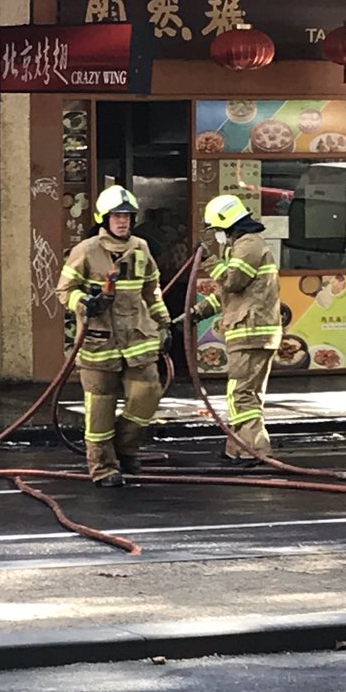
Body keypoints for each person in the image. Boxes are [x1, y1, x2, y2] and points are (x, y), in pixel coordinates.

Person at [57, 185, 172, 487]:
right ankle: (103, 467)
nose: (123, 221)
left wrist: (164, 322)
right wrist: (84, 301)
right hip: (99, 343)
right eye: (116, 216)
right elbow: (63, 292)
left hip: (137, 339)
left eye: (127, 216)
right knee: (99, 412)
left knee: (147, 396)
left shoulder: (141, 248)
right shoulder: (87, 250)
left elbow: (152, 290)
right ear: (103, 219)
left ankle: (125, 448)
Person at [179, 195, 282, 466]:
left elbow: (232, 281)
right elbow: (230, 296)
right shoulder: (243, 247)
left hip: (249, 332)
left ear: (227, 225)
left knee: (241, 394)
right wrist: (196, 313)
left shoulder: (248, 246)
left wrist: (208, 260)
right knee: (246, 393)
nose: (217, 236)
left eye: (217, 230)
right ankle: (236, 448)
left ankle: (255, 450)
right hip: (254, 331)